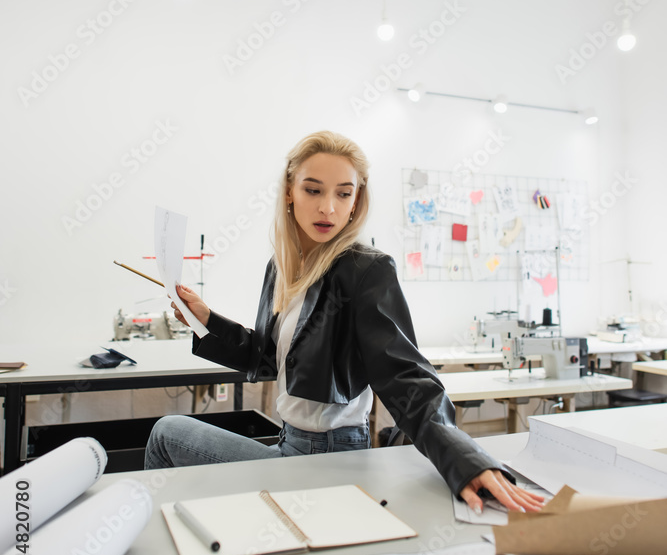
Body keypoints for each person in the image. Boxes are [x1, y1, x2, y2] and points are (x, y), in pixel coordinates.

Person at [145, 131, 543, 514]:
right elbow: (267, 358)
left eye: (343, 193)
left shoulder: (365, 270)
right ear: (289, 191)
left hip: (328, 455)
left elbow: (406, 376)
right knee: (172, 435)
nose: (328, 208)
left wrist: (466, 460)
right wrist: (207, 319)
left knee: (166, 433)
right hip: (291, 445)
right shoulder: (282, 267)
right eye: (313, 190)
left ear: (356, 201)